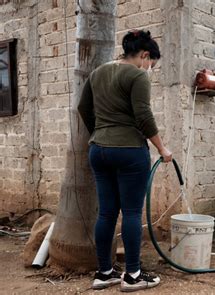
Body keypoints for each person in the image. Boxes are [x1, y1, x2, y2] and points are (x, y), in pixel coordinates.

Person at [78, 29, 172, 292]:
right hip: (129, 150)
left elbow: (83, 108)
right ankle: (132, 275)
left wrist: (100, 132)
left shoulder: (97, 73)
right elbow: (143, 115)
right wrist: (163, 149)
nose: (150, 68)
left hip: (98, 150)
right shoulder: (137, 75)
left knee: (107, 212)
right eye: (151, 63)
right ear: (144, 55)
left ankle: (104, 272)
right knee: (131, 212)